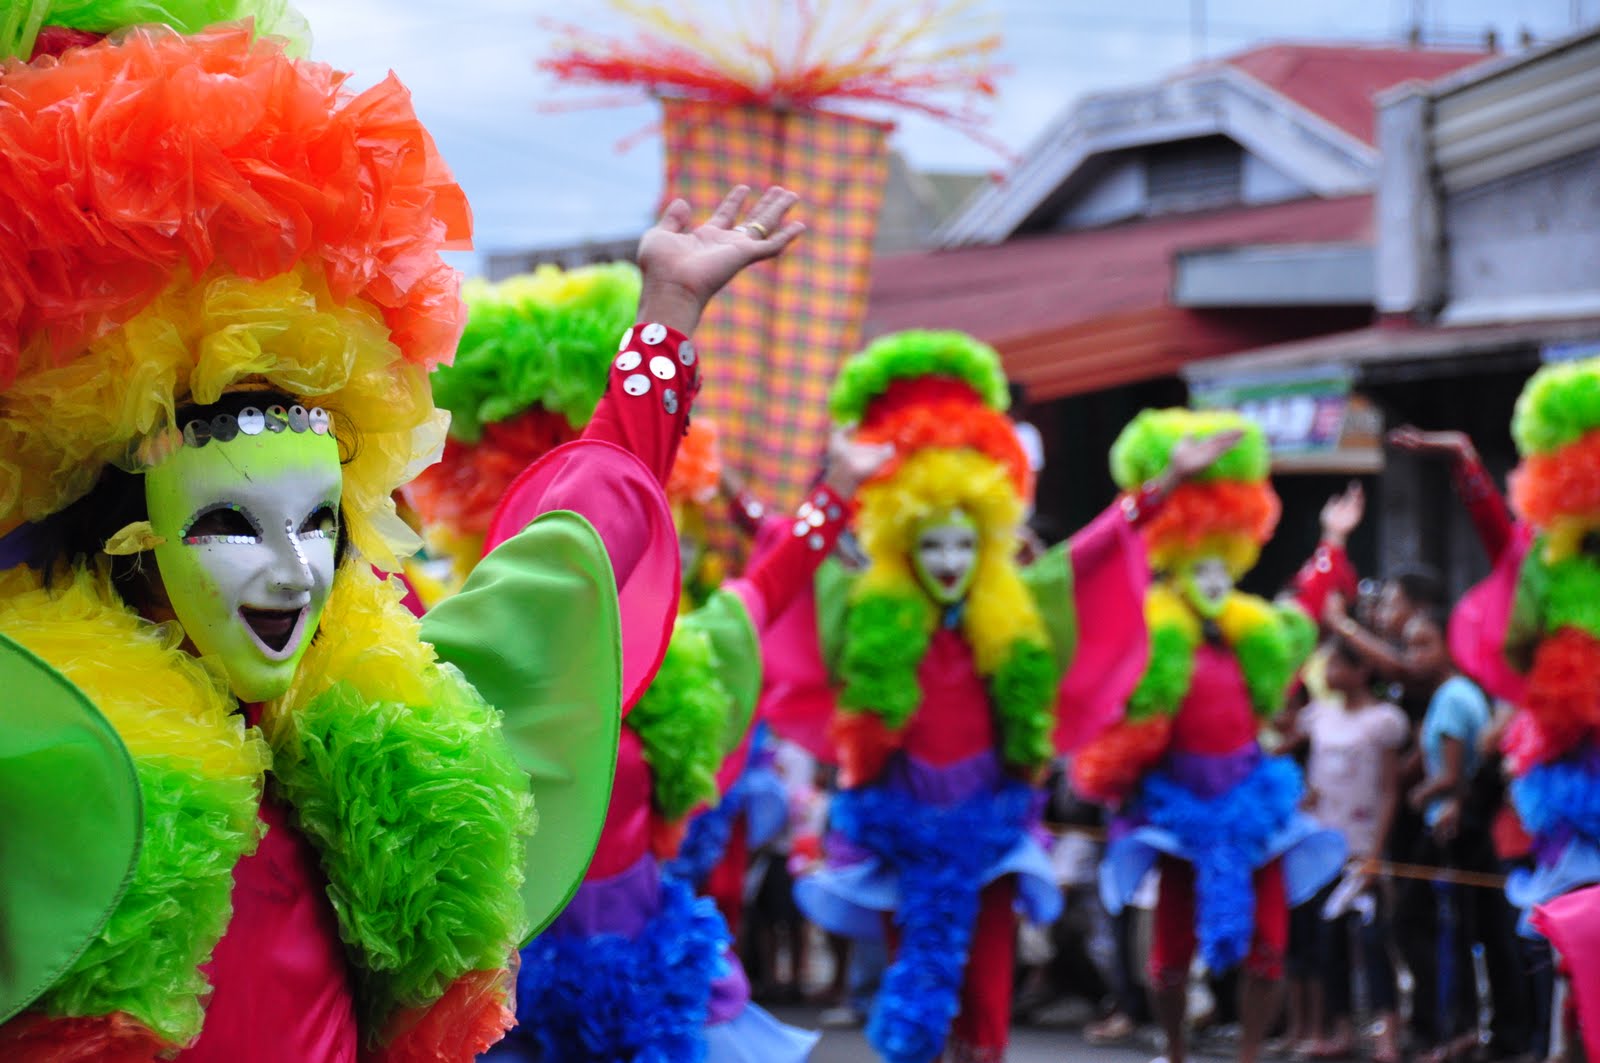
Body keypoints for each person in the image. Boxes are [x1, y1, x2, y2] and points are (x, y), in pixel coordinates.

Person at [0, 6, 802, 1056]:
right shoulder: (37, 733)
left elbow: (565, 553)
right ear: (132, 538)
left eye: (321, 524)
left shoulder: (376, 702)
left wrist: (664, 321)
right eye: (234, 523)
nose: (296, 569)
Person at [766, 332, 1233, 1063]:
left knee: (985, 1014)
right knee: (915, 1001)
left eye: (962, 545)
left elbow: (1094, 548)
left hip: (991, 833)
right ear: (903, 543)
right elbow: (782, 558)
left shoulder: (1019, 603)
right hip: (900, 830)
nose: (949, 561)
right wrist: (807, 490)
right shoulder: (866, 609)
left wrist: (1164, 484)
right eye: (932, 545)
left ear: (985, 542)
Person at [492, 423, 894, 1062]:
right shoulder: (489, 668)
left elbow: (775, 581)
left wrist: (839, 486)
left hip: (644, 957)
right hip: (521, 969)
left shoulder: (668, 665)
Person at [1072, 409, 1356, 1063]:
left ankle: (1251, 1052)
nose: (1211, 581)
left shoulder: (1252, 626)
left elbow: (1303, 617)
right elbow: (1102, 585)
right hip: (1177, 803)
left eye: (1220, 569)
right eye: (1197, 568)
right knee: (1170, 945)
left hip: (1251, 798)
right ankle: (1174, 1048)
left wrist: (1329, 546)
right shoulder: (1149, 625)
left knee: (1270, 942)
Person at [1297, 638, 1408, 1062]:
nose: (1328, 672)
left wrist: (1377, 851)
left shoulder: (1383, 722)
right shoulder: (1318, 718)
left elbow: (1389, 789)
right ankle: (1340, 1027)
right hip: (1321, 844)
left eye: (1338, 664)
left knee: (1372, 937)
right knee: (1328, 941)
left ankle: (1387, 1032)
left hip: (1362, 844)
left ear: (1363, 671)